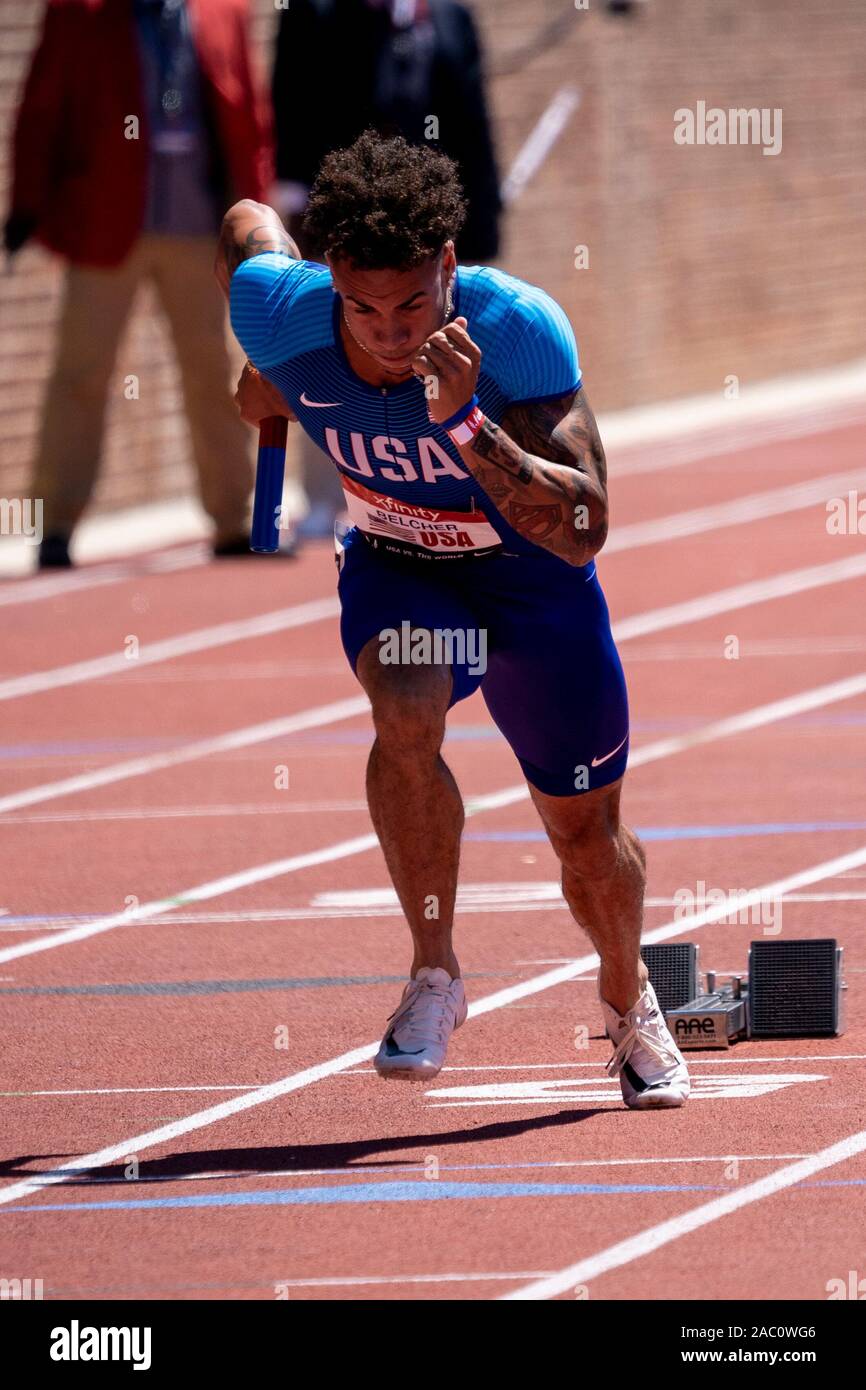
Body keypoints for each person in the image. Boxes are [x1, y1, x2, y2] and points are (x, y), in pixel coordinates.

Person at [216, 130, 690, 1109]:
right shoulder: (275, 308)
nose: (388, 332)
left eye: (411, 305)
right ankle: (433, 971)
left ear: (446, 270)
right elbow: (246, 227)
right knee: (403, 705)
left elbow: (584, 528)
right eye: (362, 308)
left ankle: (624, 994)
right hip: (402, 570)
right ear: (328, 283)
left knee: (585, 839)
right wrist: (262, 384)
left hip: (531, 587)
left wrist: (466, 425)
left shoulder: (516, 331)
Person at [4, 0, 272, 567]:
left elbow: (249, 110)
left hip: (200, 224)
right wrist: (27, 204)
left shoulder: (225, 12)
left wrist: (259, 213)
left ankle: (233, 518)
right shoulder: (81, 14)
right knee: (81, 372)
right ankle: (54, 525)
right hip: (105, 224)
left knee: (213, 372)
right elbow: (43, 103)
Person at [271, 0, 502, 539]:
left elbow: (473, 115)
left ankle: (447, 491)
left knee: (438, 358)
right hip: (346, 229)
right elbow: (290, 95)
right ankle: (329, 499)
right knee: (332, 354)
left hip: (430, 234)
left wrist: (484, 222)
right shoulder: (316, 12)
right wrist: (294, 195)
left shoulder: (448, 16)